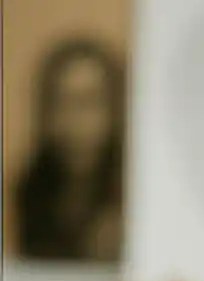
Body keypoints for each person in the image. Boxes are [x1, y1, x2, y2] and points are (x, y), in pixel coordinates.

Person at [15, 38, 125, 262]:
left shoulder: (138, 184)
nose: (73, 117)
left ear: (115, 107)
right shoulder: (34, 183)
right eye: (61, 101)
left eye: (87, 102)